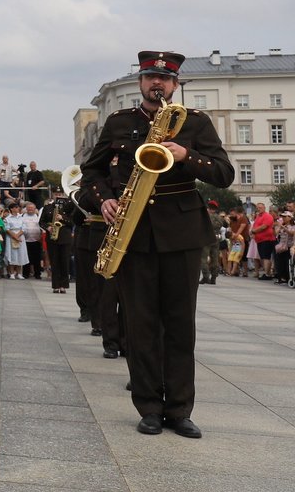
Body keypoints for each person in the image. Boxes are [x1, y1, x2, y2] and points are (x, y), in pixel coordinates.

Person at [78, 50, 233, 440]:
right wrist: (104, 200)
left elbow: (224, 174)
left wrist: (187, 155)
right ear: (141, 83)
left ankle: (180, 409)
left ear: (175, 85)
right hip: (135, 232)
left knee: (181, 326)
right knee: (141, 324)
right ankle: (148, 406)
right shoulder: (119, 122)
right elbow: (90, 173)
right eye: (149, 77)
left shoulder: (194, 123)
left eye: (164, 79)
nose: (156, 83)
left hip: (181, 233)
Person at [200, 200, 224, 284]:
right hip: (216, 238)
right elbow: (221, 225)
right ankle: (214, 277)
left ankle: (206, 276)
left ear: (208, 207)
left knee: (203, 258)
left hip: (206, 238)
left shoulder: (205, 216)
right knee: (215, 258)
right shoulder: (219, 217)